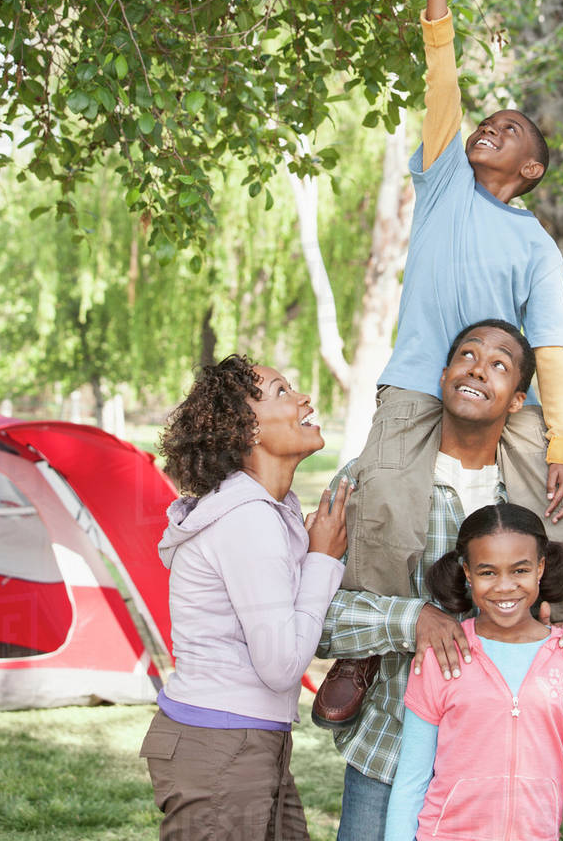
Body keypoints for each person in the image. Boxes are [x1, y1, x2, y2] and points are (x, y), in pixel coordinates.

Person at [313, 0, 563, 727]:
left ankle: (557, 634)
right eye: (487, 123)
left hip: (507, 399)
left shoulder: (537, 247)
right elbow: (443, 76)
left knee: (545, 510)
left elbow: (548, 349)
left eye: (507, 132)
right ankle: (363, 652)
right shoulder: (441, 185)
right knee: (384, 496)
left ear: (531, 169)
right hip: (419, 380)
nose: (489, 130)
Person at [316, 319, 563, 841]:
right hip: (391, 742)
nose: (478, 368)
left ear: (517, 400)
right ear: (445, 374)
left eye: (499, 364)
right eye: (468, 356)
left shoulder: (541, 494)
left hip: (493, 758)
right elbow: (314, 609)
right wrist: (413, 618)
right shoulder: (371, 479)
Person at [139, 354, 352, 841]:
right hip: (223, 745)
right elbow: (280, 664)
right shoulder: (247, 518)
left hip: (243, 741)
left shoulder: (267, 510)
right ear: (246, 429)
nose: (304, 399)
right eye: (281, 392)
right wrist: (322, 558)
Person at [384, 502, 563, 841]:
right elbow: (411, 780)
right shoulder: (442, 658)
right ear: (467, 573)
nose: (505, 586)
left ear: (540, 568)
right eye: (488, 572)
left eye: (520, 570)